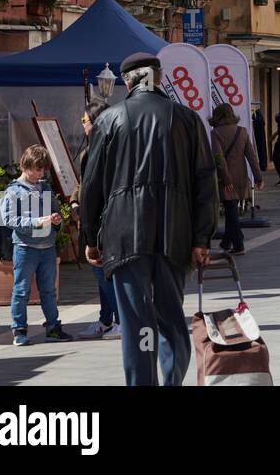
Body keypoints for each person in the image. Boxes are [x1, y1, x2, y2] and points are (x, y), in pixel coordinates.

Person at [80, 51, 217, 385]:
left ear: (128, 81)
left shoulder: (109, 120)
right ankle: (171, 382)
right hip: (175, 234)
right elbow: (205, 181)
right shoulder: (187, 119)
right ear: (159, 75)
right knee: (171, 319)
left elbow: (92, 185)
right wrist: (202, 238)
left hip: (124, 235)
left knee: (138, 323)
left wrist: (90, 239)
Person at [1, 146, 72, 346]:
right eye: (38, 169)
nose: (41, 174)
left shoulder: (45, 188)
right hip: (25, 247)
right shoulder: (13, 190)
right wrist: (37, 222)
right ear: (26, 166)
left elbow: (56, 213)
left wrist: (58, 222)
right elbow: (9, 219)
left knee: (49, 290)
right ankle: (19, 330)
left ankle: (53, 327)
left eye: (43, 170)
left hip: (47, 247)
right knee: (21, 290)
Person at [71, 101, 118, 340]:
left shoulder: (106, 148)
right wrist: (74, 201)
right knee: (100, 274)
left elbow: (97, 188)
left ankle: (119, 320)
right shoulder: (89, 149)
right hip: (90, 216)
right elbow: (83, 184)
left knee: (103, 272)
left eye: (84, 120)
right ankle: (105, 320)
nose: (82, 125)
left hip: (102, 221)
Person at [210, 103, 264, 256]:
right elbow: (252, 157)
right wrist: (258, 177)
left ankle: (239, 244)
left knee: (231, 210)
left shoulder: (216, 133)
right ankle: (226, 242)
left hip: (226, 178)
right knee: (231, 209)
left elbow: (218, 158)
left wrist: (226, 180)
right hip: (241, 176)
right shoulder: (242, 131)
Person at [251, 101, 269, 172]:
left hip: (258, 135)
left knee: (260, 148)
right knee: (261, 148)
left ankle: (262, 165)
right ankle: (263, 165)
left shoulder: (256, 115)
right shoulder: (259, 115)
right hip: (260, 135)